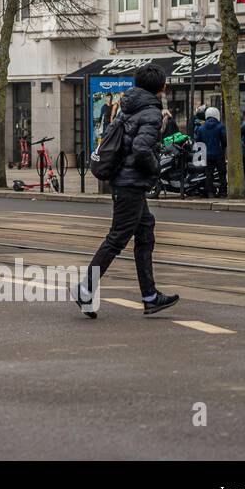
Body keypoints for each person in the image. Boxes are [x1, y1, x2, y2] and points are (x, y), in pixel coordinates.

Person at [74, 64, 180, 318]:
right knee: (117, 238)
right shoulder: (151, 113)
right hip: (131, 184)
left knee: (145, 232)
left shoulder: (129, 105)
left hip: (125, 182)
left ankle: (151, 297)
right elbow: (142, 149)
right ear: (161, 87)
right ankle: (85, 289)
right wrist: (155, 169)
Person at [195, 106, 227, 197]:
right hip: (218, 154)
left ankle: (210, 192)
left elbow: (198, 141)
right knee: (222, 174)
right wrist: (223, 148)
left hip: (207, 155)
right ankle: (223, 192)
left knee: (209, 175)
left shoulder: (201, 128)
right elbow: (224, 140)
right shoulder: (220, 126)